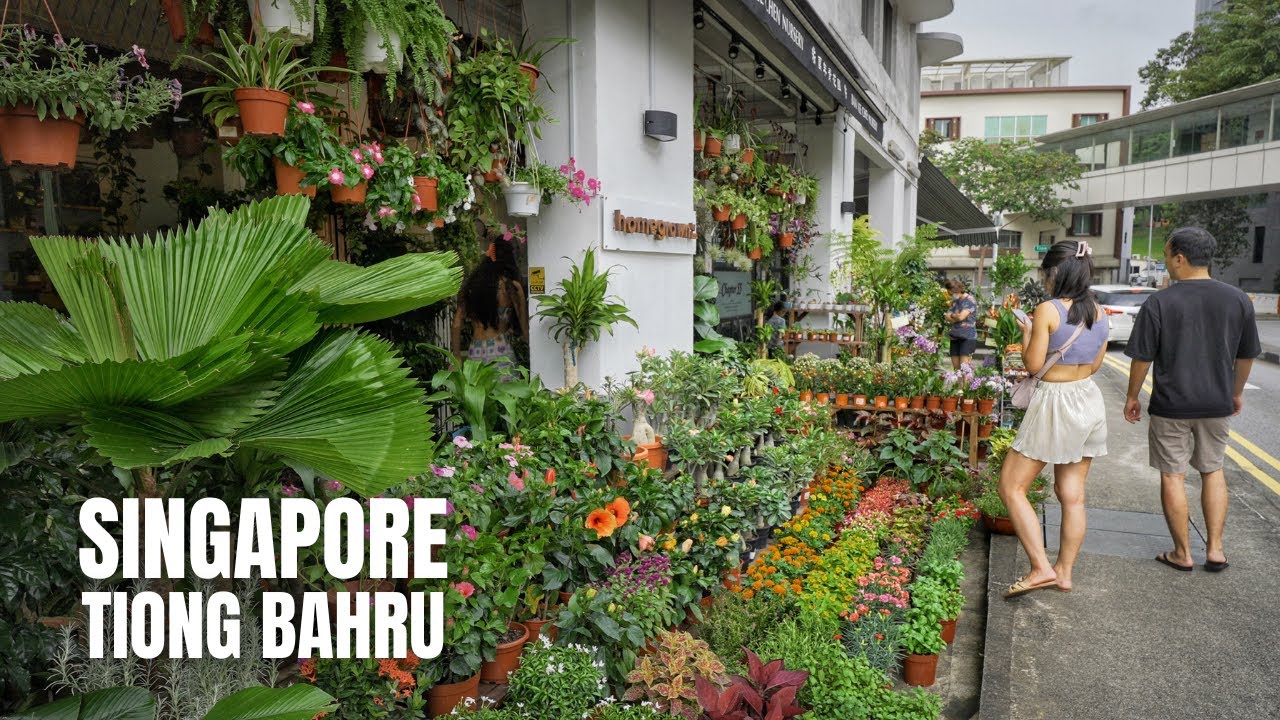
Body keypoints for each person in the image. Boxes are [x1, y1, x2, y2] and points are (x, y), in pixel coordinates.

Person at [1123, 227, 1261, 573]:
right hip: (1217, 404)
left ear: (1180, 258)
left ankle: (1182, 553)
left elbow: (1142, 357)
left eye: (1168, 255)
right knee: (1213, 470)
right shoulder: (1238, 299)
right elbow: (1246, 356)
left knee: (1173, 476)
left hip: (1172, 404)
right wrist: (1235, 392)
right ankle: (1215, 550)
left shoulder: (1159, 302)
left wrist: (1132, 396)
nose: (1167, 262)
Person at [999, 240, 1110, 598]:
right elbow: (1094, 365)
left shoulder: (1047, 309)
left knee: (1012, 487)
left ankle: (1040, 568)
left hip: (1055, 402)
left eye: (1045, 274)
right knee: (1072, 495)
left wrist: (1029, 333)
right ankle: (1063, 573)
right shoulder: (1101, 312)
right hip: (1088, 399)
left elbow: (1033, 366)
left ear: (1055, 273)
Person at [451, 238, 529, 381]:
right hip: (502, 353)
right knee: (507, 399)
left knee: (478, 400)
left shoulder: (473, 286)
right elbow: (524, 330)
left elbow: (456, 323)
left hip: (475, 354)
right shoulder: (512, 288)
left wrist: (456, 355)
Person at [943, 278, 977, 369]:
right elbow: (947, 316)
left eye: (951, 293)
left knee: (964, 369)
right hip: (955, 336)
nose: (951, 296)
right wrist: (955, 316)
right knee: (957, 369)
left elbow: (961, 317)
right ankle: (959, 384)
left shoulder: (970, 300)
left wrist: (953, 316)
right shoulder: (955, 301)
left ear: (957, 291)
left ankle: (965, 384)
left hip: (967, 337)